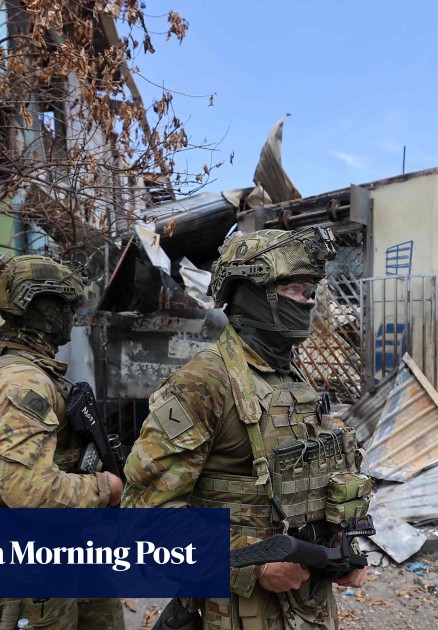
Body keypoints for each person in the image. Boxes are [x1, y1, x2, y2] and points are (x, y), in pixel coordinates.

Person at [122, 227, 370, 630]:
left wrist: (340, 548)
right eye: (293, 287)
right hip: (236, 612)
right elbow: (144, 518)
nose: (309, 300)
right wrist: (250, 567)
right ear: (250, 292)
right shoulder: (205, 383)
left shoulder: (290, 377)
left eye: (311, 289)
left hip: (308, 605)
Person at [0, 253, 124, 630]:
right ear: (44, 306)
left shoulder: (17, 370)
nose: (71, 316)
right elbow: (27, 489)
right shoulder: (23, 382)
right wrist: (104, 487)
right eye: (67, 305)